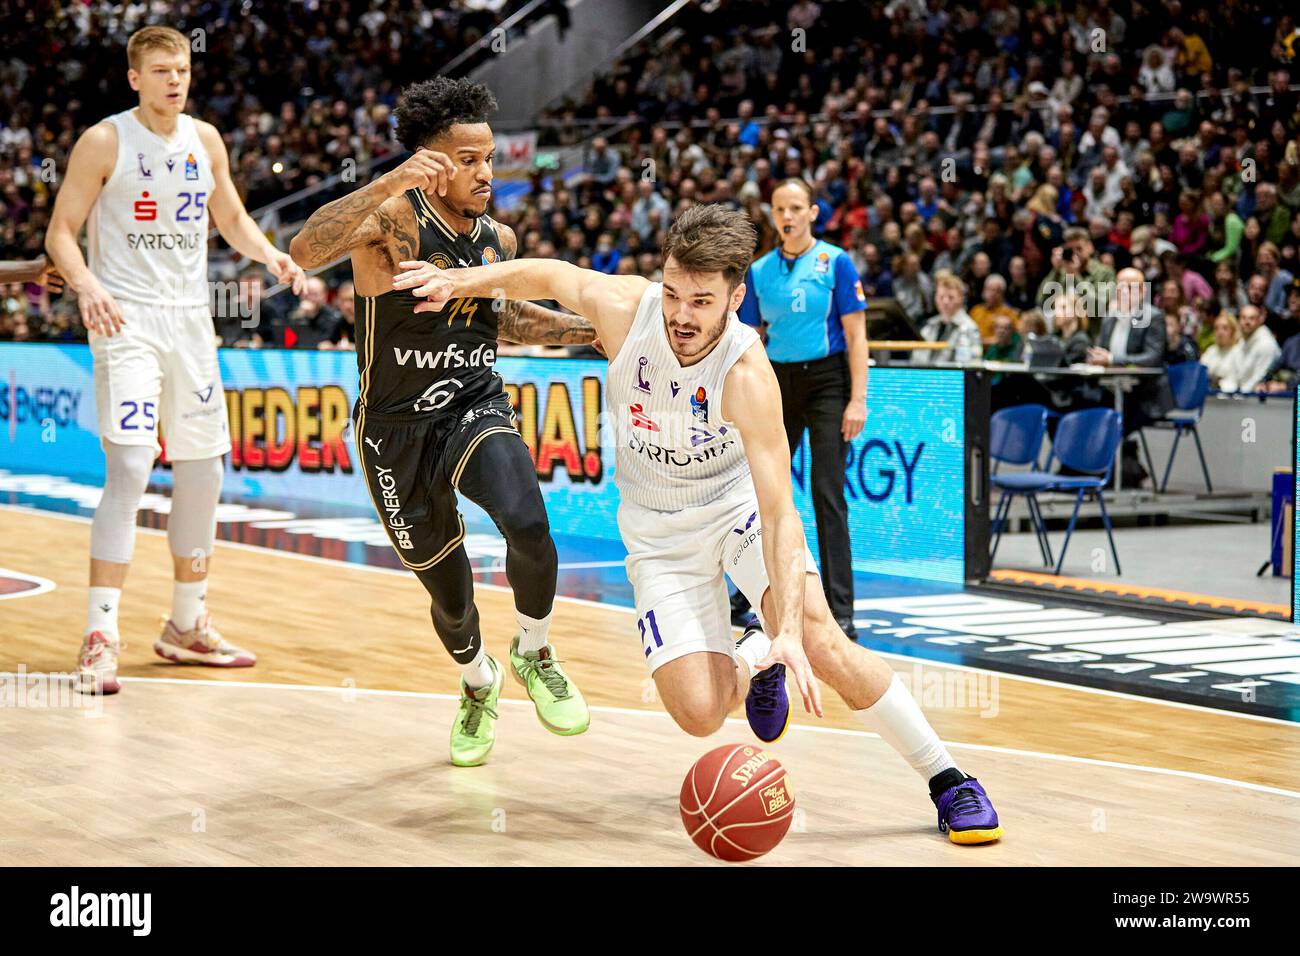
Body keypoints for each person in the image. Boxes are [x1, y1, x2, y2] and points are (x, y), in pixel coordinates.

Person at [398, 203, 1004, 845]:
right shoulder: (629, 310)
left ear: (736, 298)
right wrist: (460, 283)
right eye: (675, 294)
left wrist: (792, 631)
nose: (683, 315)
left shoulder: (747, 374)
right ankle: (755, 653)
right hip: (656, 533)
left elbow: (778, 512)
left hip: (733, 511)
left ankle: (949, 779)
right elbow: (547, 274)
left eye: (703, 301)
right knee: (699, 714)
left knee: (823, 642)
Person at [290, 77, 598, 767]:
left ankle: (536, 649)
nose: (486, 172)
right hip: (394, 429)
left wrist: (588, 330)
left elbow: (506, 315)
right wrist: (386, 181)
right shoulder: (391, 221)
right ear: (431, 162)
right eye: (467, 159)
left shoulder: (499, 237)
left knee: (527, 520)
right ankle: (477, 681)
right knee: (451, 595)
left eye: (489, 157)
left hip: (473, 404)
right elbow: (306, 251)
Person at [44, 26, 307, 695]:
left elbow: (234, 219)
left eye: (182, 68)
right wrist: (88, 285)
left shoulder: (205, 139)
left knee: (202, 472)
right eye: (160, 70)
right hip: (125, 318)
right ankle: (100, 632)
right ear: (134, 78)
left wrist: (270, 254)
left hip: (191, 323)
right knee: (132, 463)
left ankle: (186, 624)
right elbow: (60, 234)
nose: (174, 79)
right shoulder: (105, 141)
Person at [731, 178, 869, 638]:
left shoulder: (836, 263)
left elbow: (856, 337)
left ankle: (841, 608)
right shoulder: (761, 269)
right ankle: (747, 593)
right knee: (763, 492)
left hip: (828, 380)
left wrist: (858, 399)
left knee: (828, 493)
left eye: (795, 208)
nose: (786, 217)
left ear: (813, 212)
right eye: (778, 209)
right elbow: (748, 338)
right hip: (778, 382)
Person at [914, 271, 982, 365]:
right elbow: (917, 359)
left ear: (961, 298)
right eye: (941, 297)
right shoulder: (929, 326)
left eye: (951, 297)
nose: (945, 301)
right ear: (935, 299)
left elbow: (973, 364)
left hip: (954, 378)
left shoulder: (970, 328)